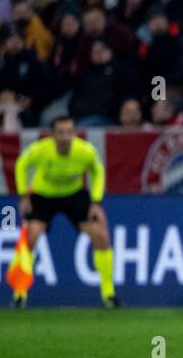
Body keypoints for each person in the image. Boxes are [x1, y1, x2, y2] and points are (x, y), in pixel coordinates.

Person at [11, 116, 117, 308]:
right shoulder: (40, 150)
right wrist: (23, 195)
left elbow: (97, 170)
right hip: (43, 195)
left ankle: (108, 293)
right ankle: (20, 294)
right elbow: (21, 164)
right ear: (53, 135)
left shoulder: (84, 151)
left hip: (73, 194)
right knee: (31, 236)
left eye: (69, 132)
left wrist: (96, 201)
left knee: (100, 235)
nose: (65, 137)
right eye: (61, 132)